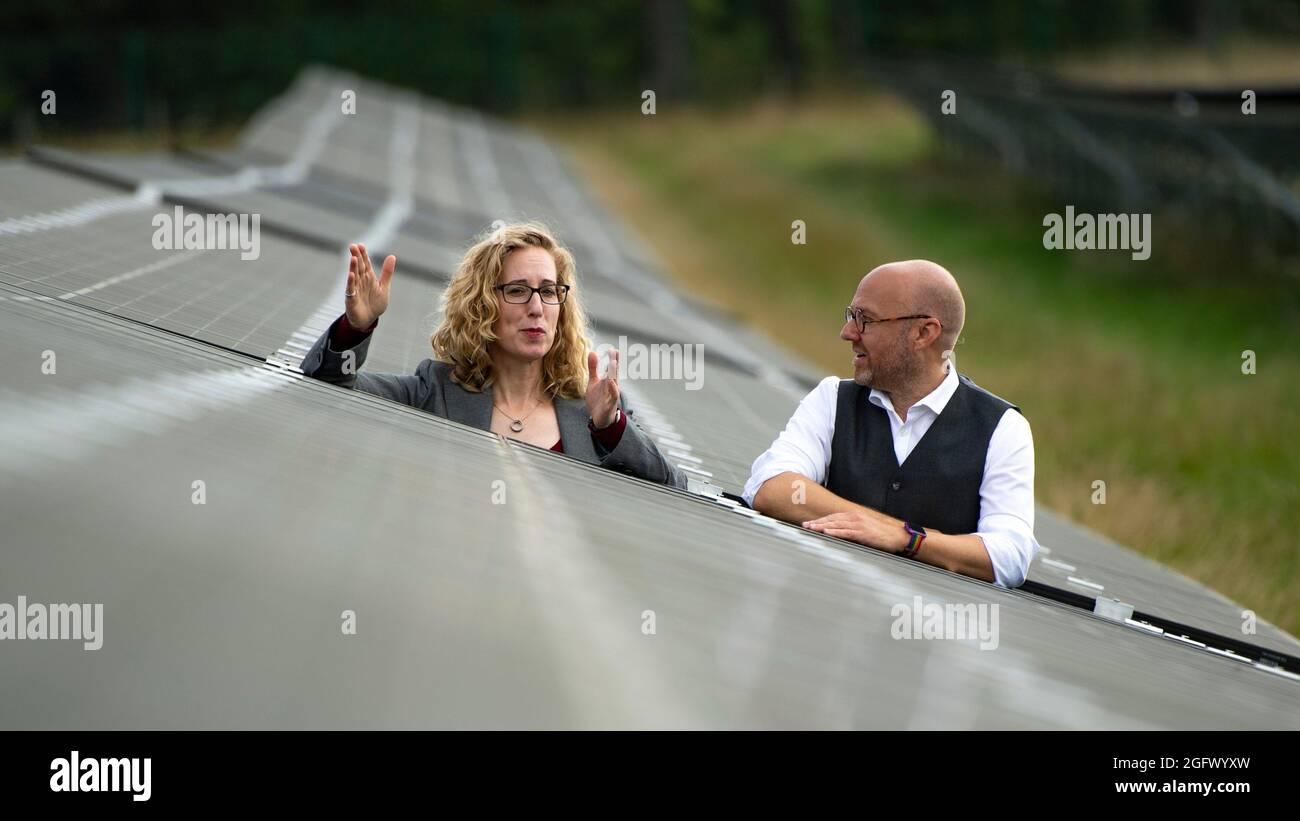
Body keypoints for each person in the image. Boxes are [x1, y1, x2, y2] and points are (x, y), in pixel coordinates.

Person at [300, 222, 686, 489]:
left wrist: (611, 426)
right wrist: (356, 328)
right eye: (518, 291)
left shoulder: (595, 410)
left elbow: (675, 485)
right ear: (482, 305)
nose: (537, 307)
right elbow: (326, 386)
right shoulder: (435, 390)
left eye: (549, 291)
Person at [742, 260, 1038, 587]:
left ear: (924, 333)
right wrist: (876, 526)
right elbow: (772, 487)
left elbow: (1009, 556)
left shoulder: (1003, 428)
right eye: (851, 316)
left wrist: (905, 538)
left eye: (865, 319)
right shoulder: (830, 398)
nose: (848, 332)